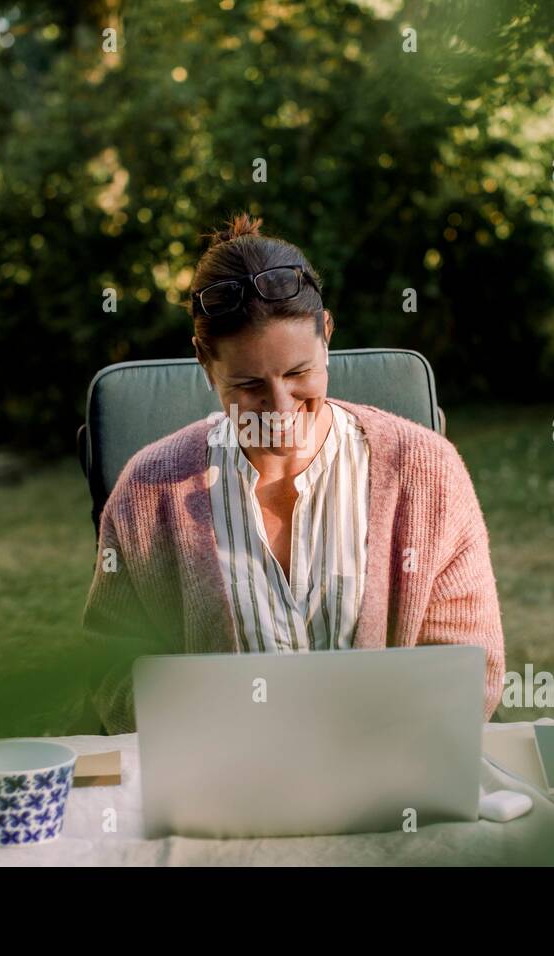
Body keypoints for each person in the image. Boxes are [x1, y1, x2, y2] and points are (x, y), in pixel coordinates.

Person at [81, 212, 505, 734]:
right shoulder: (148, 492)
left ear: (325, 332)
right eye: (248, 385)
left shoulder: (426, 472)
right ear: (203, 362)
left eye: (299, 373)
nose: (278, 408)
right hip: (220, 786)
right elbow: (108, 669)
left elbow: (471, 669)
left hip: (389, 783)